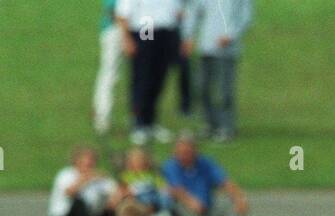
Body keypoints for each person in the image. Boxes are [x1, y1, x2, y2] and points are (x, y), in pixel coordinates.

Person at [162, 132, 248, 216]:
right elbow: (177, 190)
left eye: (188, 152)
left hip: (208, 203)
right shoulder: (171, 166)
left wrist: (239, 199)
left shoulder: (205, 163)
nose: (184, 156)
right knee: (182, 207)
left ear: (195, 151)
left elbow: (225, 182)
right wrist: (191, 202)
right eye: (181, 152)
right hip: (187, 206)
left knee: (230, 203)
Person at [116, 0, 183, 144]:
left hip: (167, 30)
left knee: (159, 77)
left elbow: (177, 10)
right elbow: (122, 14)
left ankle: (151, 121)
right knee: (142, 77)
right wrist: (126, 39)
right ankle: (138, 123)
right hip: (146, 27)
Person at [183, 0, 252, 141]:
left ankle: (227, 127)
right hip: (206, 46)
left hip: (227, 48)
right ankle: (210, 124)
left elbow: (246, 17)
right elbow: (194, 12)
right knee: (202, 87)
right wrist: (188, 37)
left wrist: (231, 35)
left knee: (224, 90)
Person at [47, 146, 119, 216]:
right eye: (86, 160)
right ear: (76, 161)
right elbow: (69, 193)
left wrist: (112, 200)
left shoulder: (100, 178)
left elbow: (115, 193)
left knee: (112, 208)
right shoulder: (66, 174)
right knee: (78, 203)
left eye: (92, 160)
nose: (89, 163)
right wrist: (86, 178)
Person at [116, 147, 175, 216]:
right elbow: (123, 190)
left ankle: (163, 214)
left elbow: (162, 187)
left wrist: (164, 191)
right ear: (130, 163)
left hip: (154, 198)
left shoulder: (153, 175)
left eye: (141, 161)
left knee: (165, 197)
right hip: (138, 200)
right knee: (143, 198)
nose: (139, 164)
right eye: (136, 161)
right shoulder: (127, 176)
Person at [92, 1, 123, 134]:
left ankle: (144, 121)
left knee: (144, 71)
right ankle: (102, 115)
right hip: (116, 29)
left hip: (144, 24)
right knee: (109, 73)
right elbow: (112, 11)